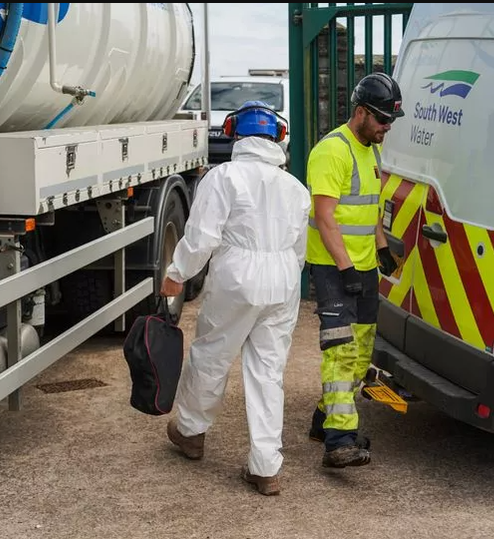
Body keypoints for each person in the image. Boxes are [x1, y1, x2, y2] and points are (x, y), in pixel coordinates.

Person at [159, 101, 311, 496]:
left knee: (212, 354)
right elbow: (299, 249)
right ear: (277, 137)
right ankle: (265, 468)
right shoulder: (295, 187)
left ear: (235, 134)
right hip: (283, 279)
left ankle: (191, 433)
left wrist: (176, 274)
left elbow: (203, 237)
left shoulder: (223, 176)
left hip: (237, 276)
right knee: (268, 370)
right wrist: (286, 276)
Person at [305, 72, 404, 468]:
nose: (386, 128)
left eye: (391, 122)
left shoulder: (371, 150)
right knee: (341, 351)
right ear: (360, 112)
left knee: (361, 354)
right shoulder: (332, 152)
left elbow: (371, 208)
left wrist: (380, 250)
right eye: (382, 120)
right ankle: (339, 441)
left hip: (363, 265)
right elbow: (325, 217)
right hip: (334, 267)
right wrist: (345, 268)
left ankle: (322, 420)